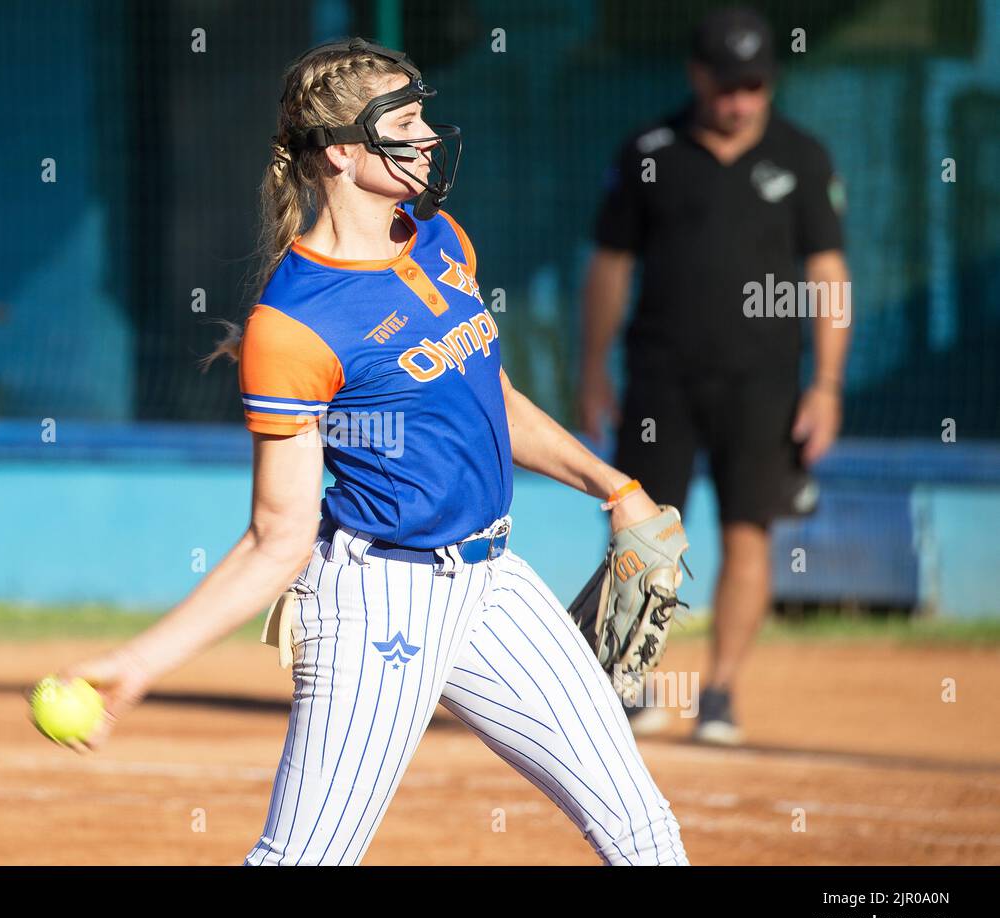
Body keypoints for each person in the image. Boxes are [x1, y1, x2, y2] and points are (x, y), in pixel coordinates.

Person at [64, 38, 688, 865]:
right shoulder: (295, 325)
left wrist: (616, 487)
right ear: (340, 154)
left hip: (493, 581)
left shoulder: (437, 237)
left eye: (422, 114)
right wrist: (140, 664)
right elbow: (275, 540)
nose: (428, 136)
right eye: (404, 122)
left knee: (640, 823)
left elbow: (488, 395)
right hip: (376, 604)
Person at [578, 7, 852, 745]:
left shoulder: (803, 157)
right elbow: (609, 267)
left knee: (748, 534)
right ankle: (629, 686)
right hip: (659, 379)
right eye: (727, 85)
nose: (739, 101)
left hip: (763, 386)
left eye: (754, 85)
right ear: (697, 76)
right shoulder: (649, 151)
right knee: (640, 534)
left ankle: (721, 694)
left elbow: (827, 276)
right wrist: (592, 370)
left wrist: (825, 385)